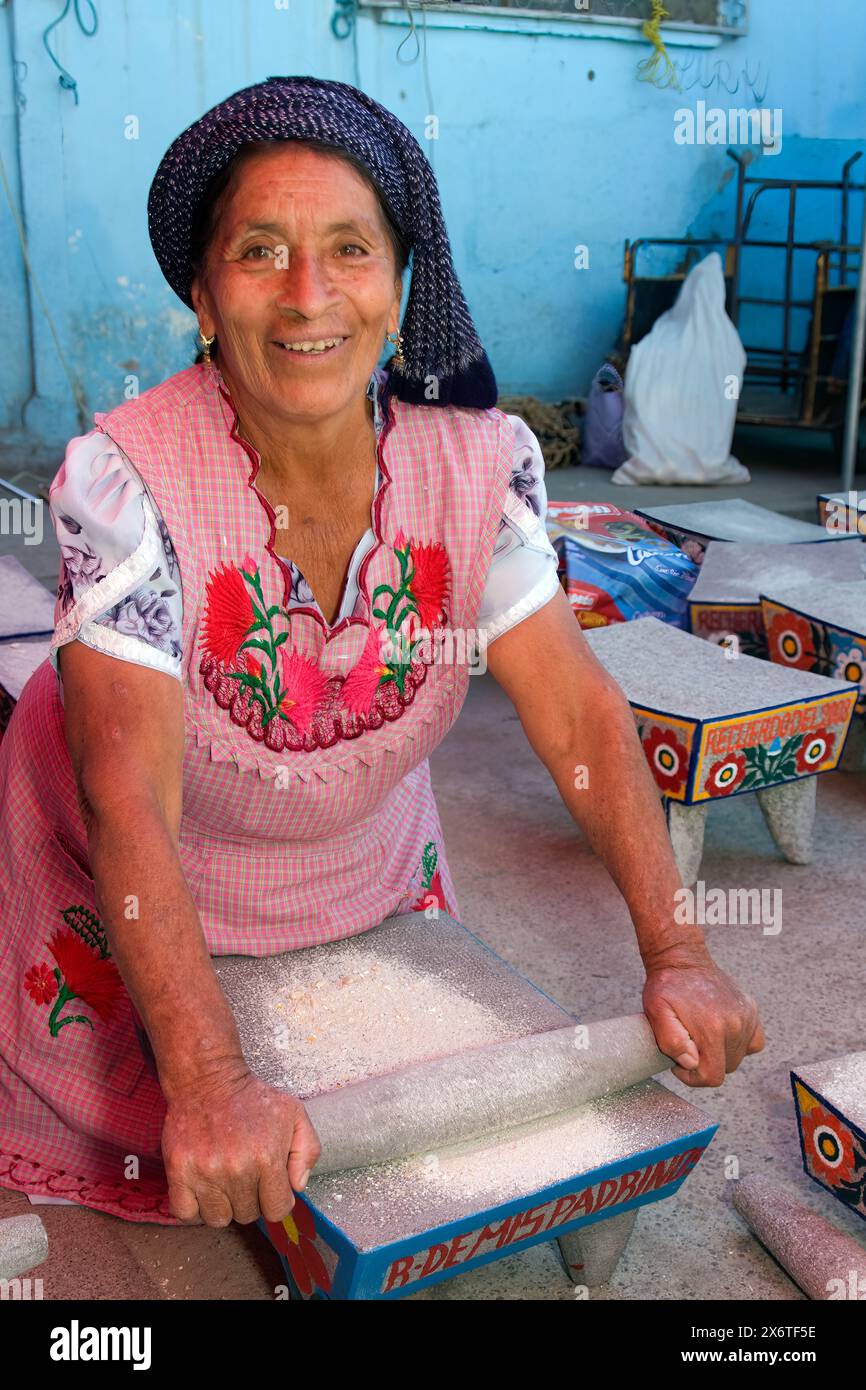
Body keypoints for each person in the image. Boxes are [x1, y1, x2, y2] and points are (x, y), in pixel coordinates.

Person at [0, 76, 763, 1231]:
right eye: (259, 251)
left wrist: (678, 948)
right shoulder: (127, 481)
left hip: (356, 871)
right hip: (146, 881)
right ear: (202, 297)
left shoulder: (476, 462)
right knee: (170, 1152)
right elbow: (129, 797)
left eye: (349, 250)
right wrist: (206, 1079)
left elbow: (575, 716)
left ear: (398, 288)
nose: (308, 296)